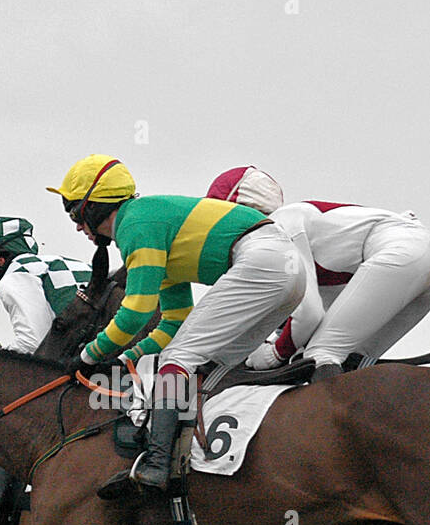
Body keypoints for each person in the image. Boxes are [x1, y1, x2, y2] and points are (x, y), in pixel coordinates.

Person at [49, 154, 307, 498]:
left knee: (178, 360)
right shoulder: (152, 223)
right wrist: (127, 360)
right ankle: (191, 455)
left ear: (90, 207)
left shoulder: (134, 225)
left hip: (263, 262)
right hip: (289, 272)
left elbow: (136, 313)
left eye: (73, 213)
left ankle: (157, 465)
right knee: (211, 366)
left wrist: (88, 355)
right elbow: (174, 320)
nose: (76, 226)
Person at [206, 167, 430, 381]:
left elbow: (309, 315)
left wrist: (274, 354)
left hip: (401, 255)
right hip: (428, 268)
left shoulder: (278, 225)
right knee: (351, 363)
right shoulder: (300, 235)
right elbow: (311, 319)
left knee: (320, 354)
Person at [0, 217, 93, 525]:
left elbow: (35, 347)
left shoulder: (14, 278)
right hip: (121, 357)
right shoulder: (57, 262)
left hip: (93, 364)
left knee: (5, 407)